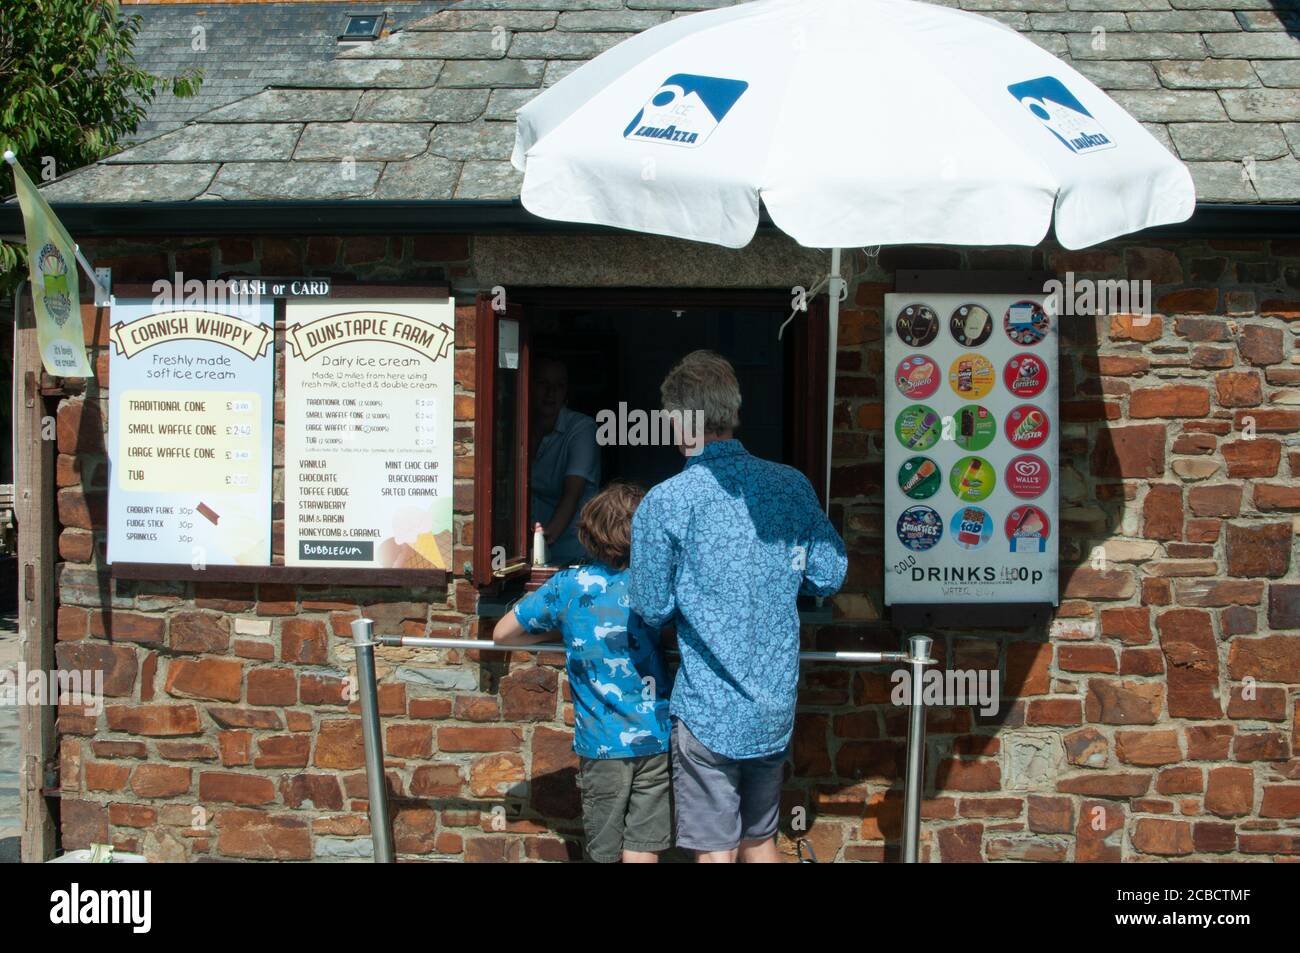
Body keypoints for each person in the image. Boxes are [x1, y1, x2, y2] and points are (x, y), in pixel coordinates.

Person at [629, 350, 847, 863]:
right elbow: (828, 574)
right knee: (760, 840)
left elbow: (650, 604)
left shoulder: (666, 502)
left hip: (708, 708)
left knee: (714, 851)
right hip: (772, 706)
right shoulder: (790, 485)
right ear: (734, 412)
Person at [494, 482, 672, 863]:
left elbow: (503, 634)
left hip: (602, 744)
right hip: (656, 737)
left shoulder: (569, 585)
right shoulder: (658, 584)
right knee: (643, 848)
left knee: (604, 850)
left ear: (588, 532)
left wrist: (565, 629)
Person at [529, 355, 600, 566]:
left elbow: (572, 495)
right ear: (529, 385)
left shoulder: (582, 429)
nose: (551, 393)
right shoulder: (518, 425)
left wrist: (543, 542)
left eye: (559, 385)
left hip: (571, 555)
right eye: (543, 383)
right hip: (530, 552)